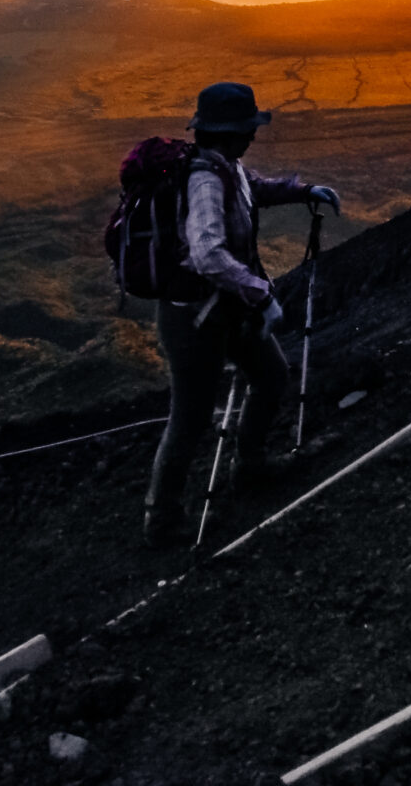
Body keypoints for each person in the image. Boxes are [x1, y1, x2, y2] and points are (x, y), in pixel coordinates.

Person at [144, 82, 340, 546]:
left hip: (227, 308)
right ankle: (162, 522)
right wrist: (261, 294)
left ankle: (250, 467)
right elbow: (208, 253)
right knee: (190, 418)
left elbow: (256, 190)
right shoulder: (205, 179)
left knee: (271, 374)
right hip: (194, 318)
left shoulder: (225, 166)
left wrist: (302, 190)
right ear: (228, 132)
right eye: (247, 128)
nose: (253, 136)